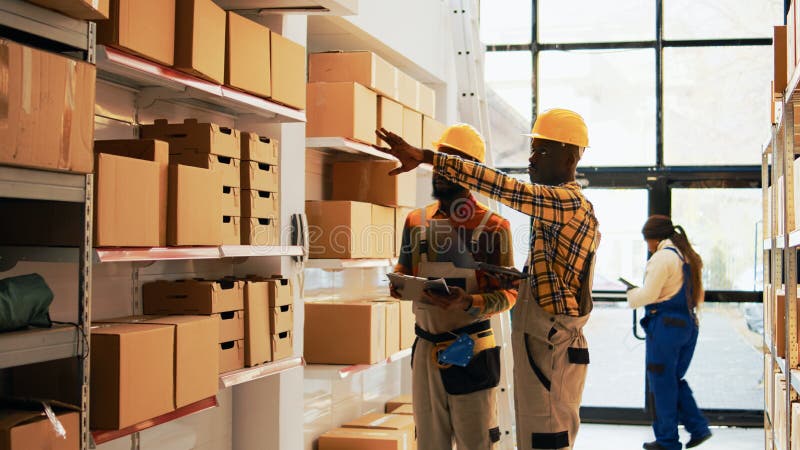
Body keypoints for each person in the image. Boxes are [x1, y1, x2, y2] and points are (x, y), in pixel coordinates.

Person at [377, 108, 600, 450]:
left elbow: (508, 189)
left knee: (528, 438)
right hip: (506, 342)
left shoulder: (552, 208)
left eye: (541, 151)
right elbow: (545, 283)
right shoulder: (418, 221)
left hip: (489, 346)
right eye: (533, 150)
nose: (531, 159)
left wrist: (472, 301)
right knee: (529, 436)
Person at [390, 123, 517, 449]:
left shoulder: (493, 227)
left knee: (475, 441)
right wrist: (400, 284)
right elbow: (404, 268)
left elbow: (509, 294)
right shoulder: (416, 221)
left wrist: (468, 303)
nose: (440, 171)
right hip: (425, 348)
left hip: (470, 349)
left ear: (471, 172)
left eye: (450, 164)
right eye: (439, 162)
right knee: (429, 442)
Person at [626, 215, 712, 450]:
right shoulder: (688, 256)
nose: (648, 247)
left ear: (654, 239)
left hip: (666, 327)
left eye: (647, 241)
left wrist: (631, 294)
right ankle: (698, 428)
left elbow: (648, 295)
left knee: (662, 384)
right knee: (673, 380)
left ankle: (668, 441)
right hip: (688, 325)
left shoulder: (663, 257)